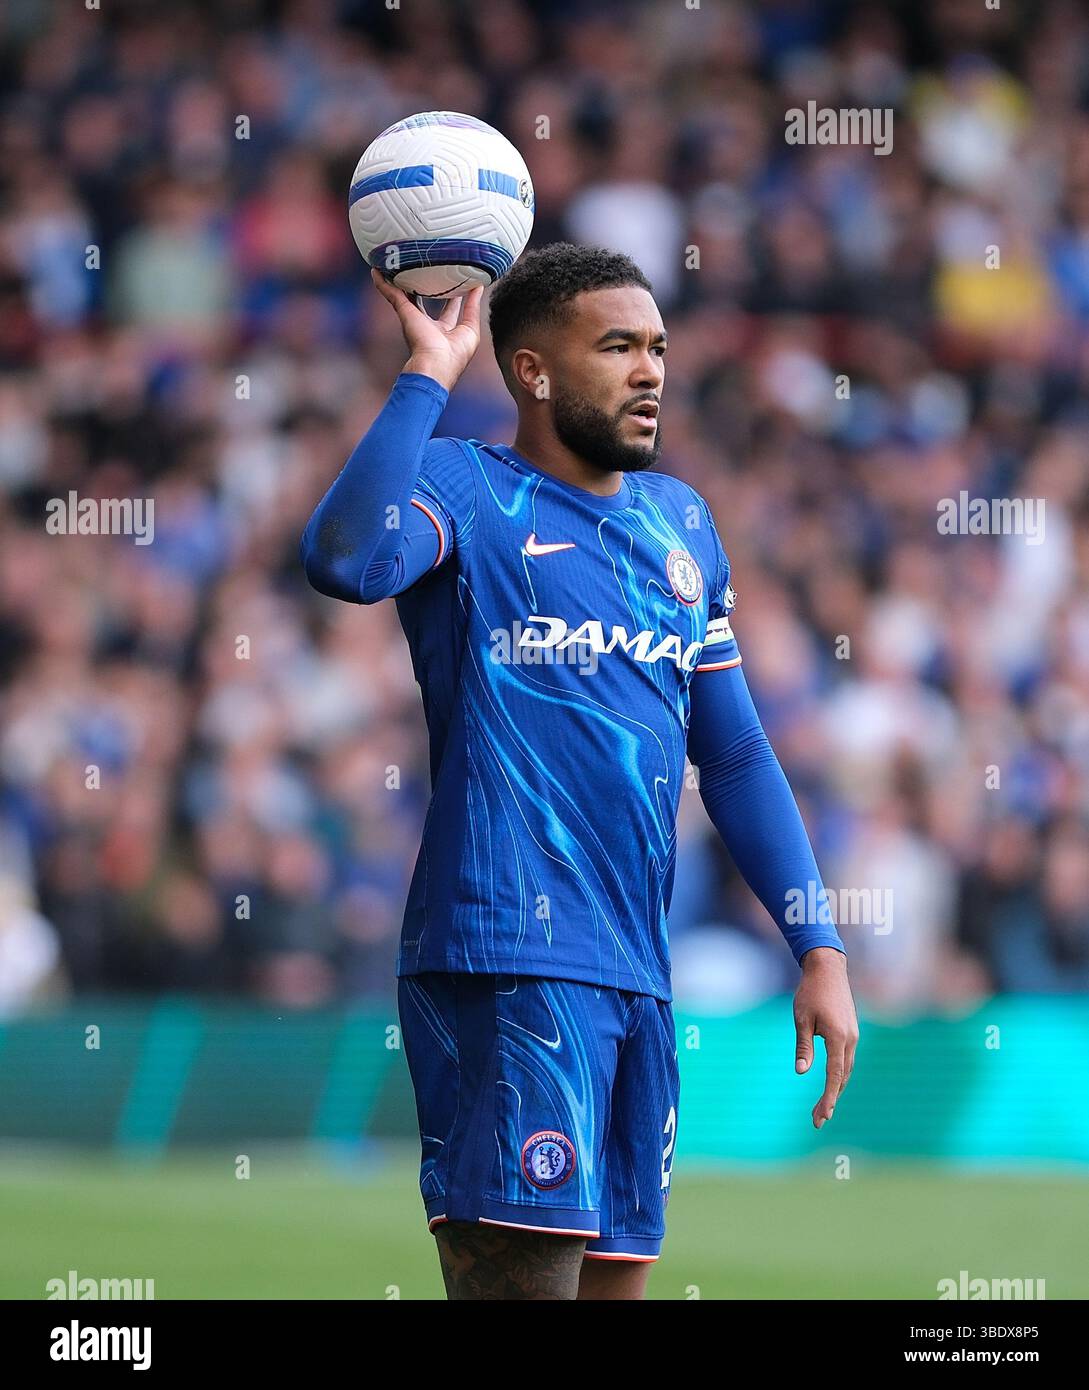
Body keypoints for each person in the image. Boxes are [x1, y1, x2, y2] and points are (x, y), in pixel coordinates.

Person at [300, 243, 859, 1300]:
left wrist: (817, 942)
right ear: (532, 371)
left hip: (637, 973)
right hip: (506, 952)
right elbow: (345, 560)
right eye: (617, 347)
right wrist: (429, 371)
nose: (651, 369)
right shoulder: (466, 488)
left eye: (657, 347)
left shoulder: (680, 522)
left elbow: (732, 753)